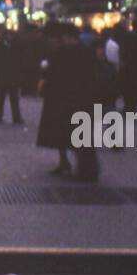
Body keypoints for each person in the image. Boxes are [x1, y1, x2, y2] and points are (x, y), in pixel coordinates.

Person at [35, 24, 99, 181]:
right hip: (70, 99)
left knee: (79, 136)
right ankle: (83, 168)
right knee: (72, 134)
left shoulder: (74, 54)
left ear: (70, 37)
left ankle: (86, 170)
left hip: (75, 99)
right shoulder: (77, 52)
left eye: (64, 37)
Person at [0, 30, 23, 124]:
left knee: (12, 97)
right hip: (3, 73)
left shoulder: (13, 46)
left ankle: (15, 117)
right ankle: (0, 115)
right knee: (2, 96)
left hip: (10, 74)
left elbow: (18, 59)